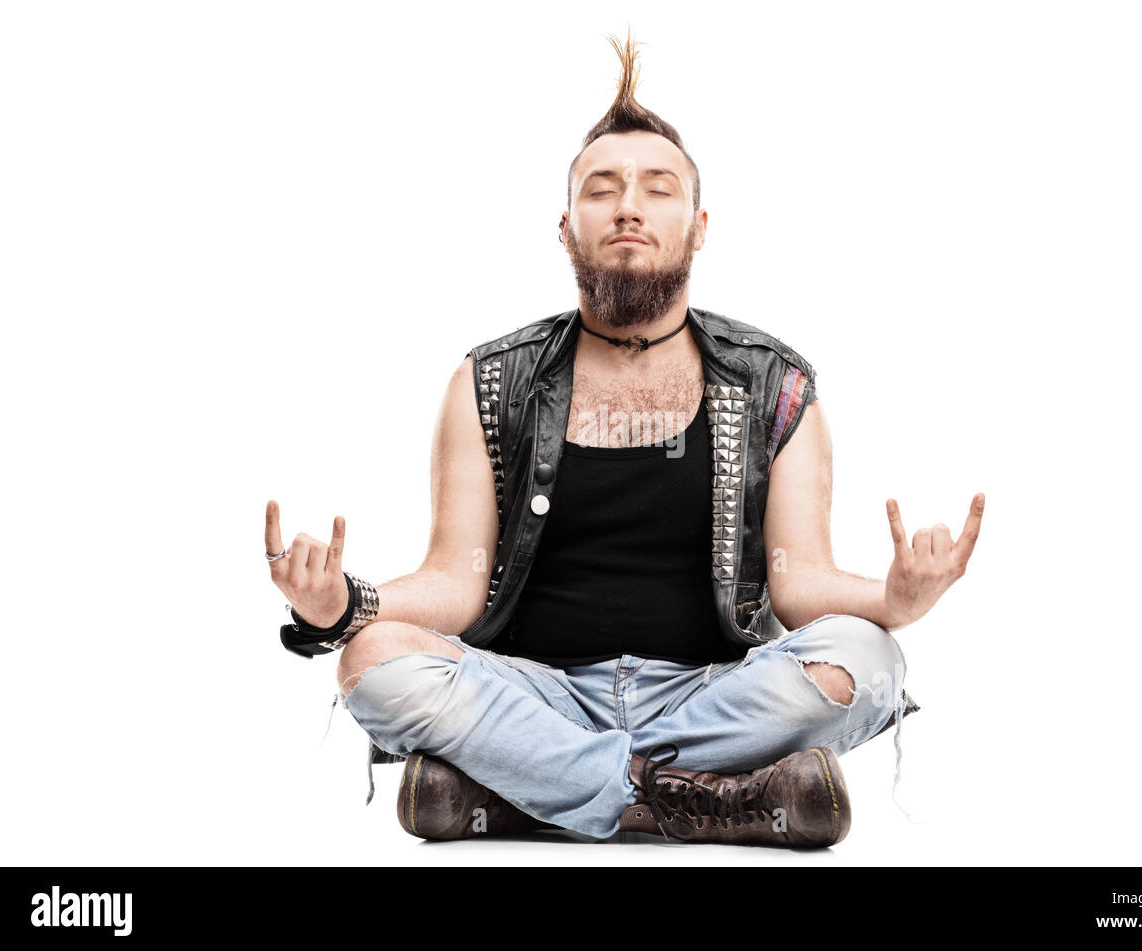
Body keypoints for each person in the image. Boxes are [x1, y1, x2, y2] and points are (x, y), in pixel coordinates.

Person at [263, 29, 984, 847]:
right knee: (370, 660)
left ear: (700, 224)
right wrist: (343, 608)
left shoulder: (774, 385)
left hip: (712, 693)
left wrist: (895, 601)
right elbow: (454, 586)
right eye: (601, 189)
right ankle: (694, 796)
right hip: (533, 694)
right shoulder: (489, 381)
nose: (629, 206)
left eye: (657, 188)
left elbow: (799, 584)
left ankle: (519, 791)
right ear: (566, 226)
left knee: (871, 660)